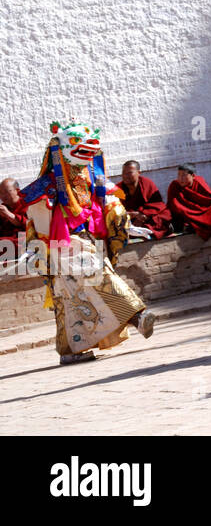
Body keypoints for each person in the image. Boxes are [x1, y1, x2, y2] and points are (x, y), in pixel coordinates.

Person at [9, 122, 155, 364]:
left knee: (73, 302)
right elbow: (36, 219)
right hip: (63, 246)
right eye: (78, 145)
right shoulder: (45, 186)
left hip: (88, 241)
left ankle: (70, 350)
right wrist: (37, 248)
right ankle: (137, 316)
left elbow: (106, 204)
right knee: (100, 277)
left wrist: (123, 222)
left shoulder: (89, 178)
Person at [166, 164, 211, 240]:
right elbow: (175, 206)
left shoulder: (199, 181)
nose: (180, 178)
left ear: (193, 176)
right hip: (186, 213)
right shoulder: (174, 186)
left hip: (200, 211)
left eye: (184, 175)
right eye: (179, 175)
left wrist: (200, 210)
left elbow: (209, 200)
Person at [118, 159, 170, 240]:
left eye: (129, 173)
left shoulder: (147, 183)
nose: (126, 176)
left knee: (165, 215)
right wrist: (133, 214)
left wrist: (144, 215)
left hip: (146, 216)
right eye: (124, 173)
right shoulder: (118, 189)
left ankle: (141, 231)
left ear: (139, 173)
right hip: (130, 219)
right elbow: (116, 209)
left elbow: (157, 204)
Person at [0, 177, 26, 241]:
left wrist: (8, 214)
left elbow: (29, 226)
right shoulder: (3, 207)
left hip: (21, 243)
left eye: (6, 192)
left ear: (17, 190)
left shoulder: (27, 205)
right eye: (0, 192)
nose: (3, 195)